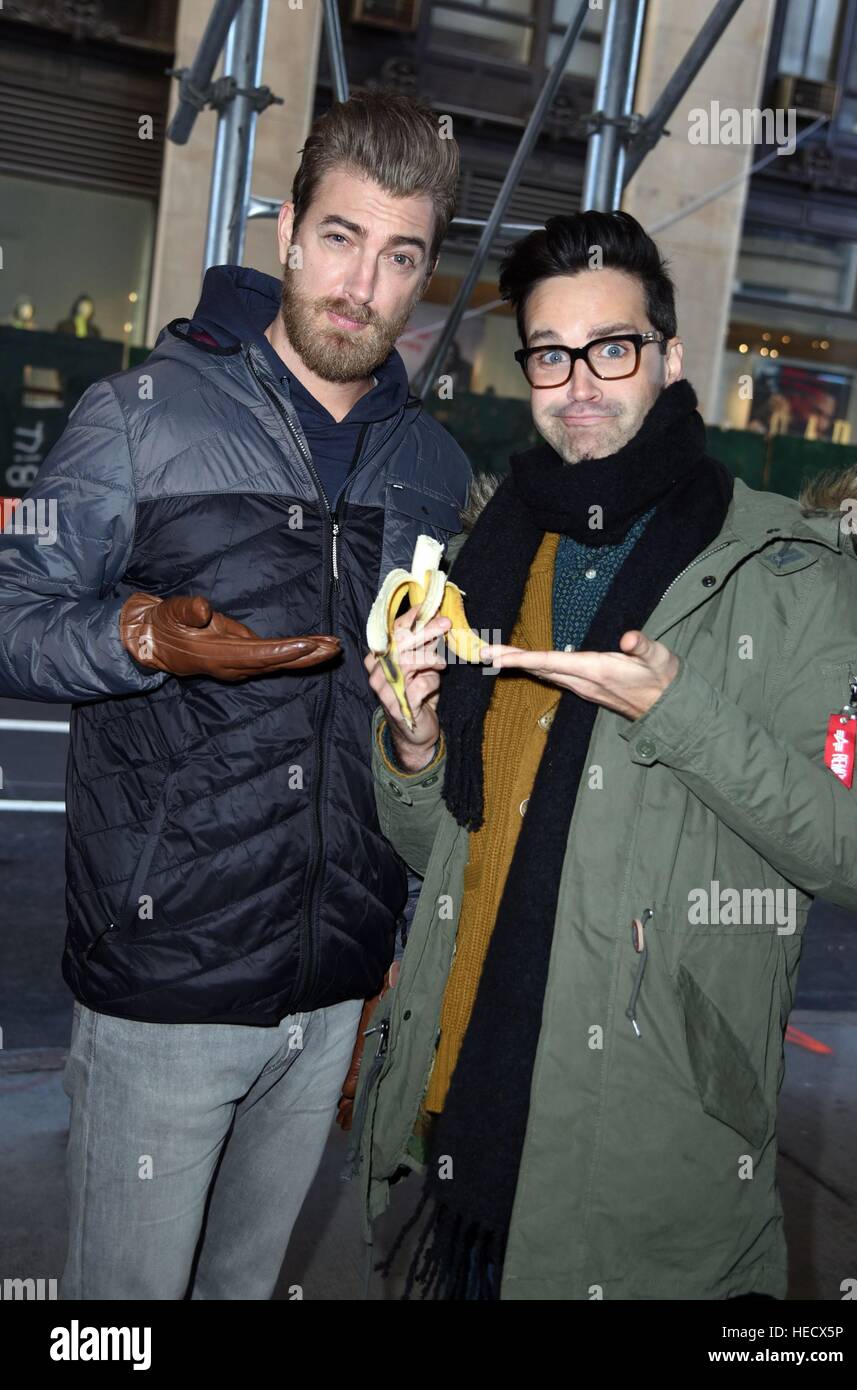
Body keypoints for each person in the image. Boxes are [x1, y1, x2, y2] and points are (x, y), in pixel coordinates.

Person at [355, 209, 857, 1300]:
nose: (578, 382)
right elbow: (440, 850)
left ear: (669, 358)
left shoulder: (790, 577)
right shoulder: (488, 556)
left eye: (613, 347)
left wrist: (679, 713)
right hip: (466, 1125)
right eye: (550, 353)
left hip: (649, 1161)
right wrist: (413, 742)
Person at [0, 87, 471, 1300]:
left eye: (399, 254)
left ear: (424, 273)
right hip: (167, 981)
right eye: (339, 237)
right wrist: (143, 632)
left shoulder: (432, 468)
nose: (362, 283)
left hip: (327, 994)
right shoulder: (139, 421)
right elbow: (12, 613)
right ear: (286, 234)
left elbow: (426, 706)